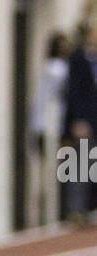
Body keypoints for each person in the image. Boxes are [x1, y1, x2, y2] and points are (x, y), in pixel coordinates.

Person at [29, 31, 70, 225]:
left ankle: (48, 214)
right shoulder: (56, 69)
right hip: (49, 127)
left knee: (52, 173)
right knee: (53, 173)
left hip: (45, 125)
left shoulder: (51, 68)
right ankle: (49, 215)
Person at [62, 22, 97, 225]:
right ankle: (76, 210)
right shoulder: (77, 59)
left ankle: (90, 207)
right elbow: (74, 92)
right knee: (82, 165)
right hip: (86, 121)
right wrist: (77, 120)